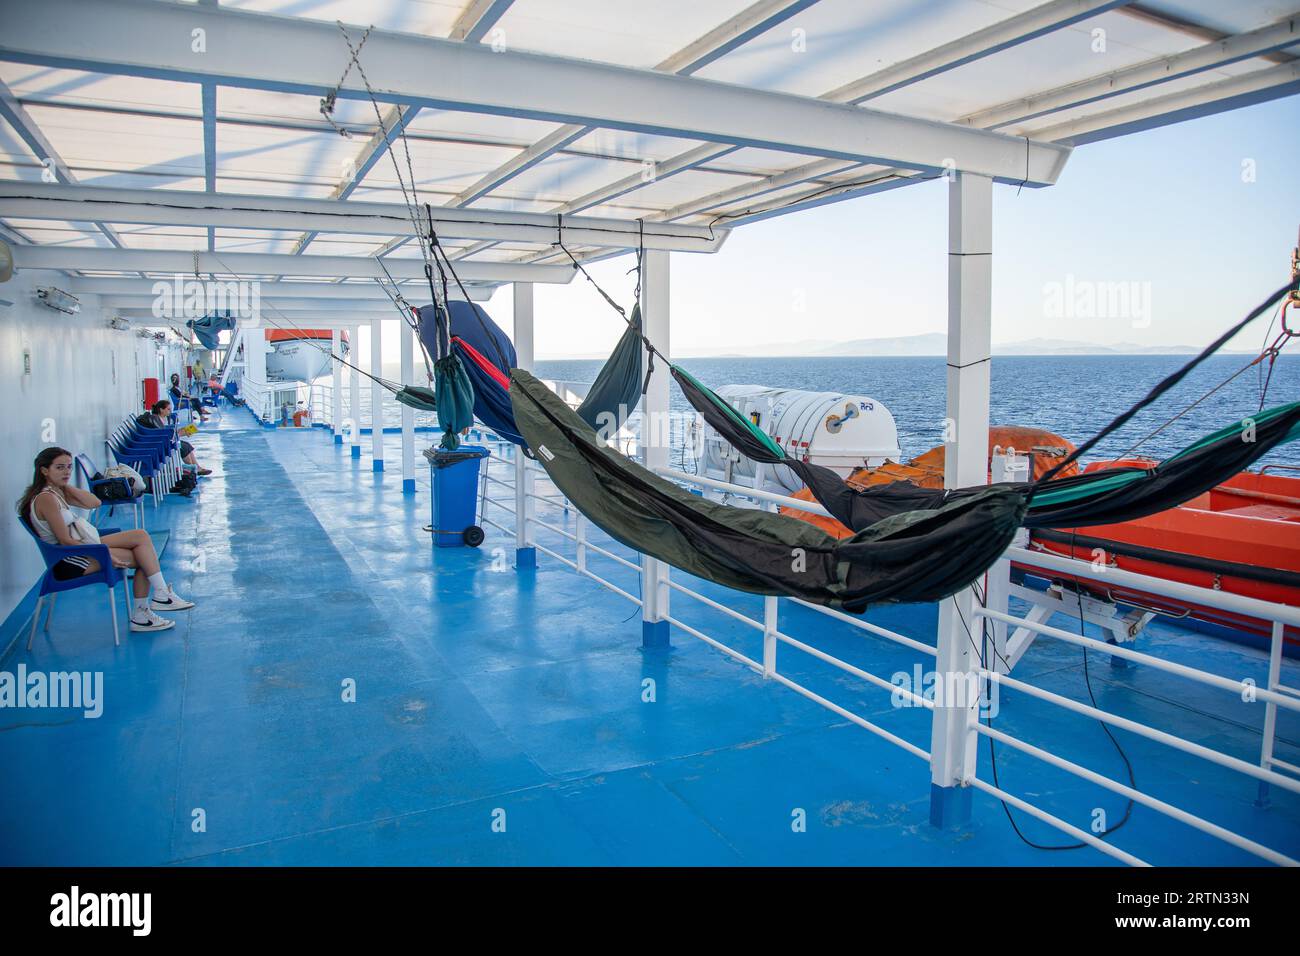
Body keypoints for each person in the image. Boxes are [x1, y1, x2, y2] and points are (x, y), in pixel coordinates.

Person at [18, 447, 195, 633]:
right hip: (68, 559)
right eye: (60, 468)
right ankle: (146, 612)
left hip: (81, 547)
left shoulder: (55, 492)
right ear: (44, 470)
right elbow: (65, 540)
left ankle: (160, 598)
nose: (67, 472)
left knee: (141, 536)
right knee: (145, 558)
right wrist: (106, 553)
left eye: (69, 467)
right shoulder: (46, 498)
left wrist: (64, 486)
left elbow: (95, 503)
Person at [138, 400, 212, 476]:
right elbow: (162, 435)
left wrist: (181, 431)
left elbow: (165, 432)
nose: (170, 411)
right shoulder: (156, 419)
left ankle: (197, 468)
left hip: (163, 441)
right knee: (183, 447)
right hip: (160, 445)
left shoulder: (161, 418)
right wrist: (179, 434)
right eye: (168, 409)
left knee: (186, 445)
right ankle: (194, 470)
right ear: (161, 409)